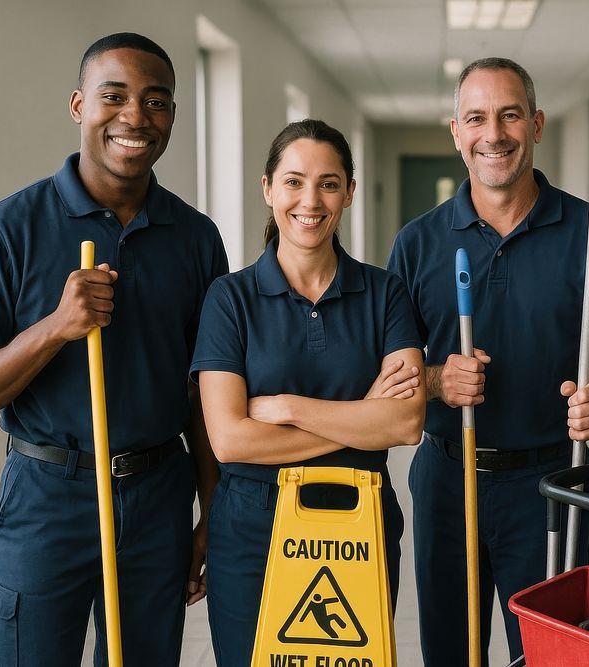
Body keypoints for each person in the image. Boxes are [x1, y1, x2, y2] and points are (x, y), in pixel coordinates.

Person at [0, 33, 228, 666]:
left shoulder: (196, 239)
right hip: (48, 495)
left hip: (158, 497)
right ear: (77, 105)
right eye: (113, 96)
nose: (135, 117)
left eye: (156, 101)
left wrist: (212, 510)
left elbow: (204, 394)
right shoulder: (5, 231)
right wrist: (56, 328)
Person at [387, 58, 589, 664]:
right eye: (476, 117)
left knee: (550, 652)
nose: (493, 133)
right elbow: (391, 372)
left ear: (536, 124)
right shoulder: (418, 242)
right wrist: (437, 379)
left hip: (554, 481)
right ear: (456, 131)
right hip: (449, 478)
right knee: (452, 649)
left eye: (509, 115)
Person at [191, 119, 426, 666]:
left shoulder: (384, 292)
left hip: (356, 520)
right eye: (294, 182)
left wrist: (290, 409)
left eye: (328, 182)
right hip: (253, 528)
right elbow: (228, 441)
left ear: (348, 191)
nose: (310, 200)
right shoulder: (230, 299)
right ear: (268, 188)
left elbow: (406, 423)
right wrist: (361, 420)